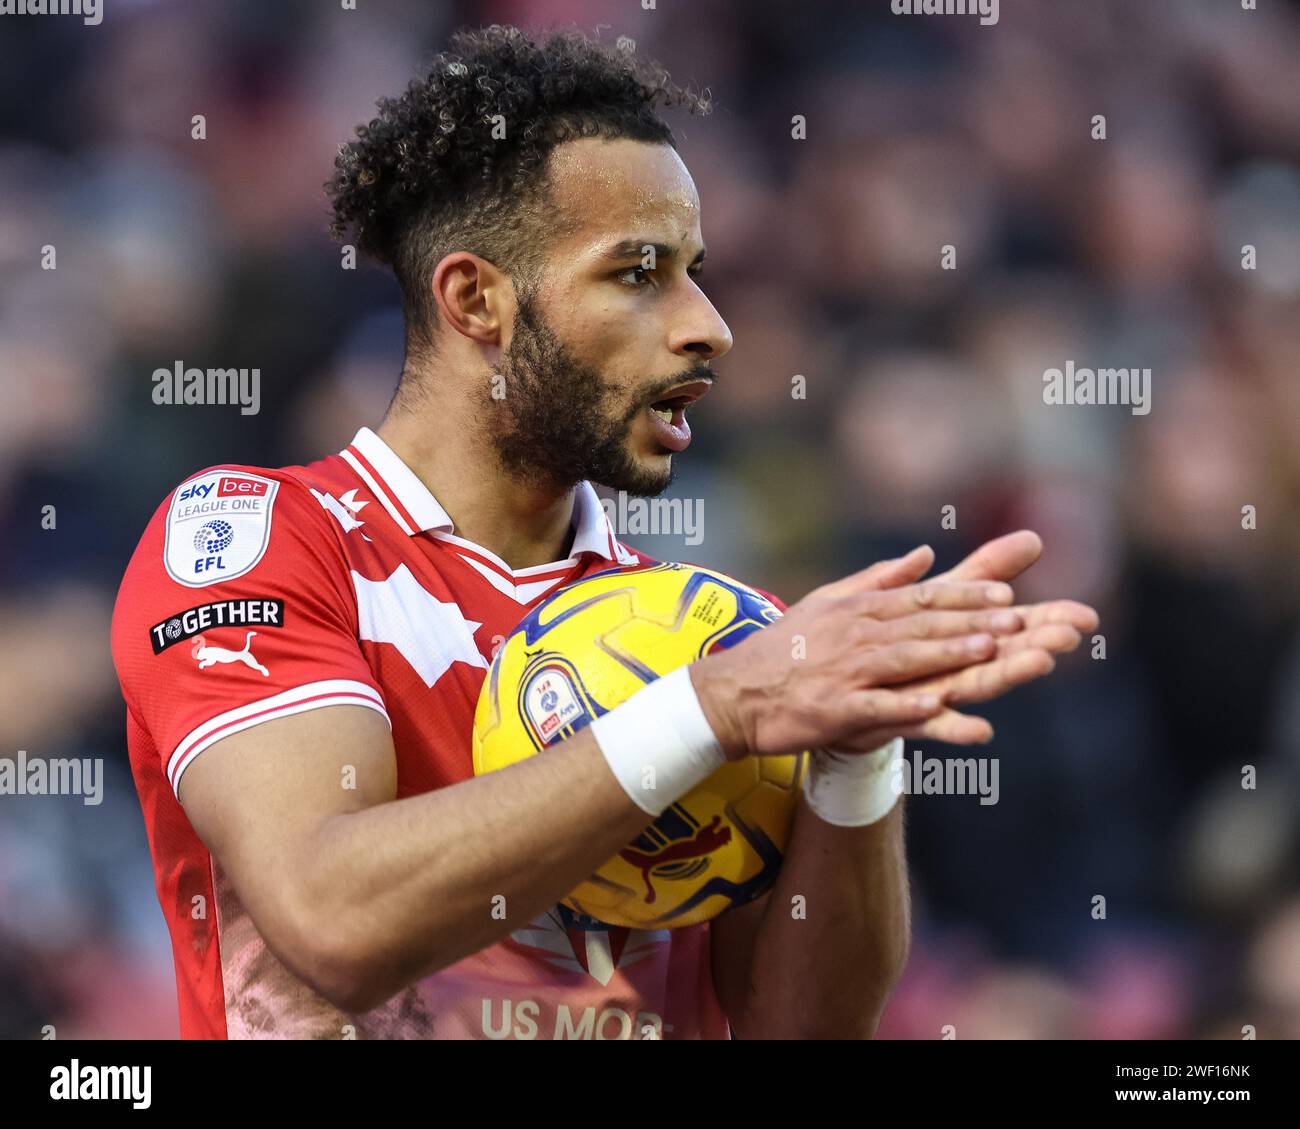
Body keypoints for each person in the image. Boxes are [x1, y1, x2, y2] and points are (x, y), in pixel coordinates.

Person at [110, 25, 1096, 1039]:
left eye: (695, 271)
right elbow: (331, 917)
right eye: (638, 272)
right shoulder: (262, 538)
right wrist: (708, 708)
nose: (707, 324)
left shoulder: (700, 633)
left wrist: (855, 747)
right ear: (474, 299)